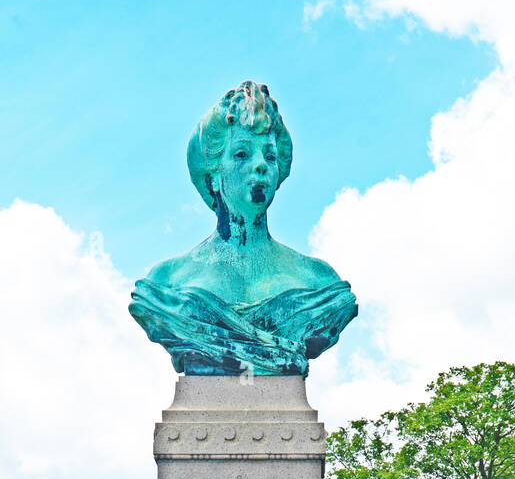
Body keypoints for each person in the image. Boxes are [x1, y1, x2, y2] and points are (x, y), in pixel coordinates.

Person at [129, 81, 357, 375]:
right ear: (212, 175)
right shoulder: (167, 283)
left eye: (270, 156)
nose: (260, 164)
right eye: (241, 154)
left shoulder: (318, 281)